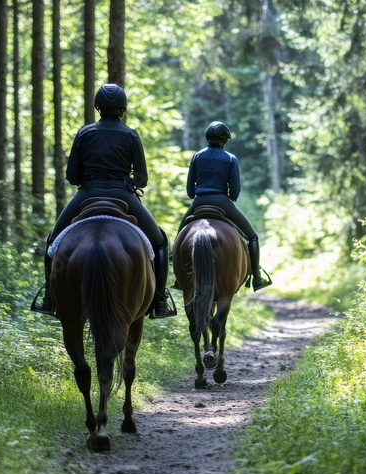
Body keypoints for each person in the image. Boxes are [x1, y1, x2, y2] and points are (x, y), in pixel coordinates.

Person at [32, 83, 177, 318]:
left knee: (53, 242)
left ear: (97, 107)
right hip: (124, 196)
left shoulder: (84, 132)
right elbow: (142, 178)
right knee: (159, 242)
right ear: (123, 108)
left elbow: (72, 176)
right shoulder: (131, 135)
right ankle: (160, 299)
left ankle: (49, 296)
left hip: (86, 195)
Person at [178, 121, 272, 291]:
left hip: (199, 202)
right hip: (222, 202)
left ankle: (176, 267)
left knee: (180, 235)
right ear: (224, 141)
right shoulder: (230, 159)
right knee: (252, 236)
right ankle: (257, 276)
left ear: (208, 138)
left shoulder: (197, 156)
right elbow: (234, 192)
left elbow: (190, 191)